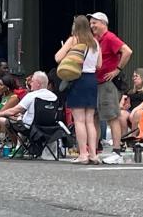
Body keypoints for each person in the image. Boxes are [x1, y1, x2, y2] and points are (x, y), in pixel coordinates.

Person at [54, 14, 102, 164]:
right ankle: (93, 154)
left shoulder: (74, 40)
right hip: (91, 80)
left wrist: (69, 53)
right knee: (90, 120)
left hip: (78, 80)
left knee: (79, 120)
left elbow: (57, 57)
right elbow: (99, 65)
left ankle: (83, 154)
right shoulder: (95, 42)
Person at [89, 12, 131, 162]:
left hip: (107, 84)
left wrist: (117, 70)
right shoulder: (95, 39)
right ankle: (94, 150)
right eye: (91, 22)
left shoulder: (110, 37)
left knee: (112, 117)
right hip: (96, 82)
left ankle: (117, 151)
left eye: (95, 22)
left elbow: (127, 51)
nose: (92, 25)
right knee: (94, 116)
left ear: (103, 24)